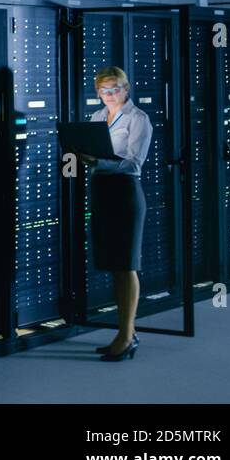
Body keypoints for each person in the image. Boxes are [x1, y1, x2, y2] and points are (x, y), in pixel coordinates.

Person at [81, 66, 153, 362]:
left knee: (127, 264)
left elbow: (134, 162)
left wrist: (97, 161)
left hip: (125, 193)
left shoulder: (139, 119)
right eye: (103, 91)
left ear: (126, 89)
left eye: (114, 89)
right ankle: (125, 332)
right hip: (101, 192)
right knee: (114, 265)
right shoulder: (97, 118)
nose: (109, 96)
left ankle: (126, 336)